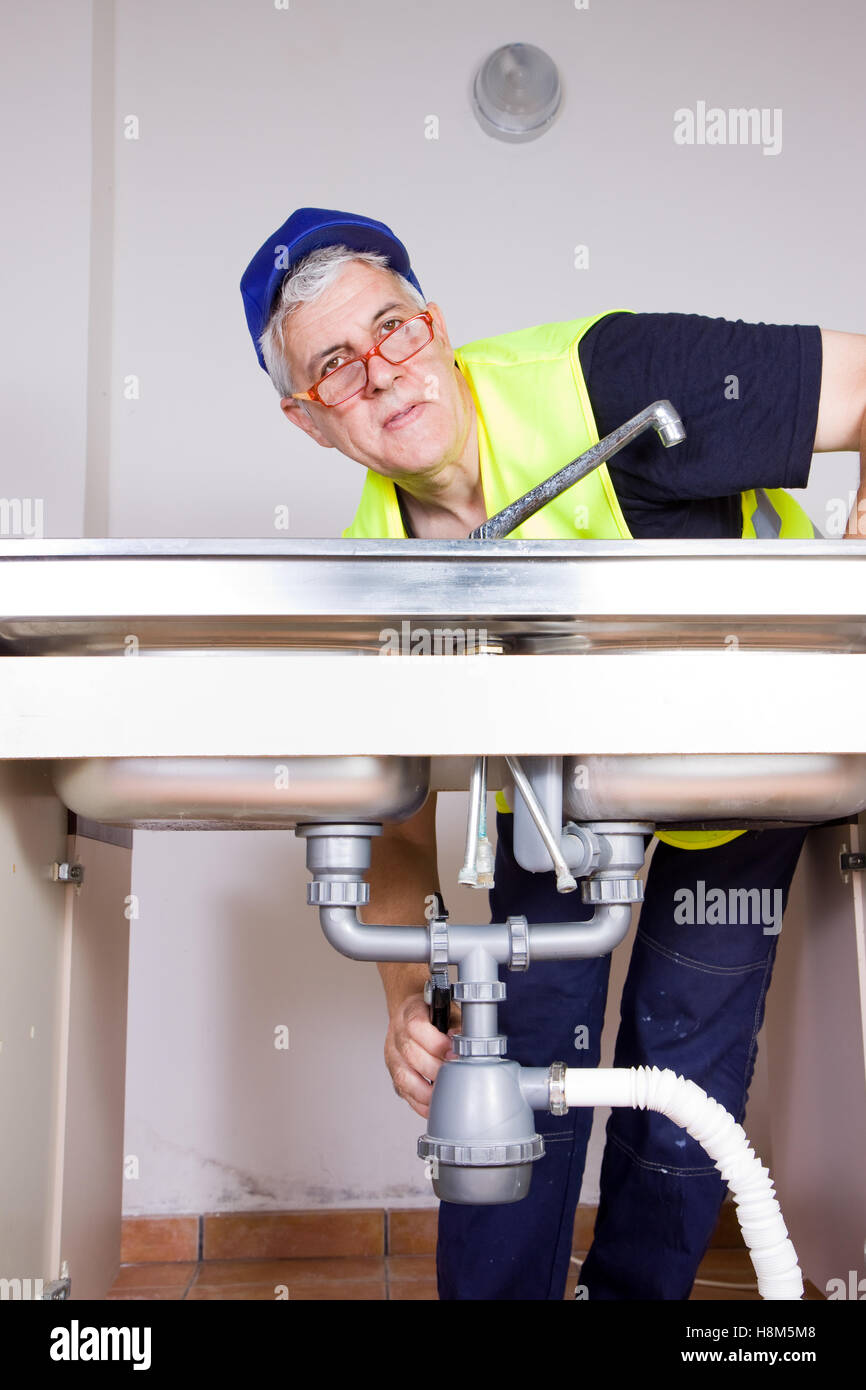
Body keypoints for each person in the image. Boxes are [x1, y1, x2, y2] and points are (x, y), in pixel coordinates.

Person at [240, 207, 866, 1300]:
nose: (380, 373)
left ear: (432, 323)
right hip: (552, 790)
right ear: (306, 419)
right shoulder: (371, 574)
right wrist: (402, 997)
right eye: (334, 366)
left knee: (683, 1059)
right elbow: (381, 810)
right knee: (513, 1050)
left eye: (391, 328)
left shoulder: (612, 379)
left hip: (746, 757)